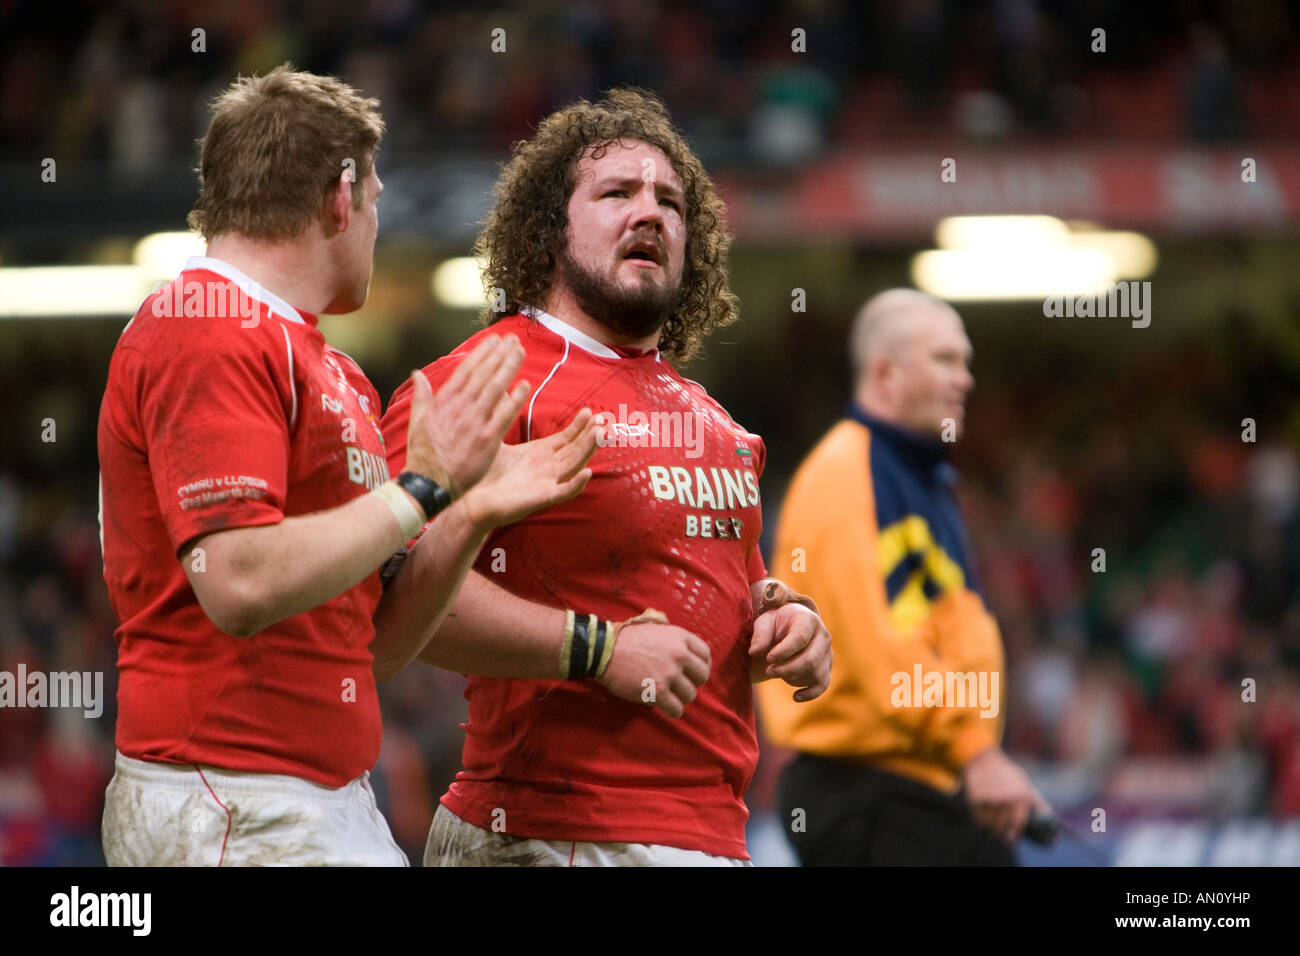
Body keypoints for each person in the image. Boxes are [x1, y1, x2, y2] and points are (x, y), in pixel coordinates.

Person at [95, 65, 598, 866]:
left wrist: (467, 510)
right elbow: (238, 581)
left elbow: (373, 651)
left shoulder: (330, 367)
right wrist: (420, 491)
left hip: (313, 798)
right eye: (375, 200)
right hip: (232, 796)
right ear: (339, 196)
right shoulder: (208, 326)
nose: (375, 223)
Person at [380, 88, 833, 866]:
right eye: (617, 193)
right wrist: (594, 649)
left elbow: (732, 592)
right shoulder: (482, 383)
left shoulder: (716, 421)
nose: (650, 213)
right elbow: (392, 602)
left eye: (671, 202)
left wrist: (787, 621)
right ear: (549, 234)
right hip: (545, 832)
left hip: (713, 836)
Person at [755, 288, 1051, 865]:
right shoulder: (848, 475)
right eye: (944, 360)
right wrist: (976, 753)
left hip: (924, 783)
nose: (965, 379)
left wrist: (976, 756)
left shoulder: (925, 480)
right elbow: (873, 651)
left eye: (966, 361)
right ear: (884, 373)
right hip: (871, 791)